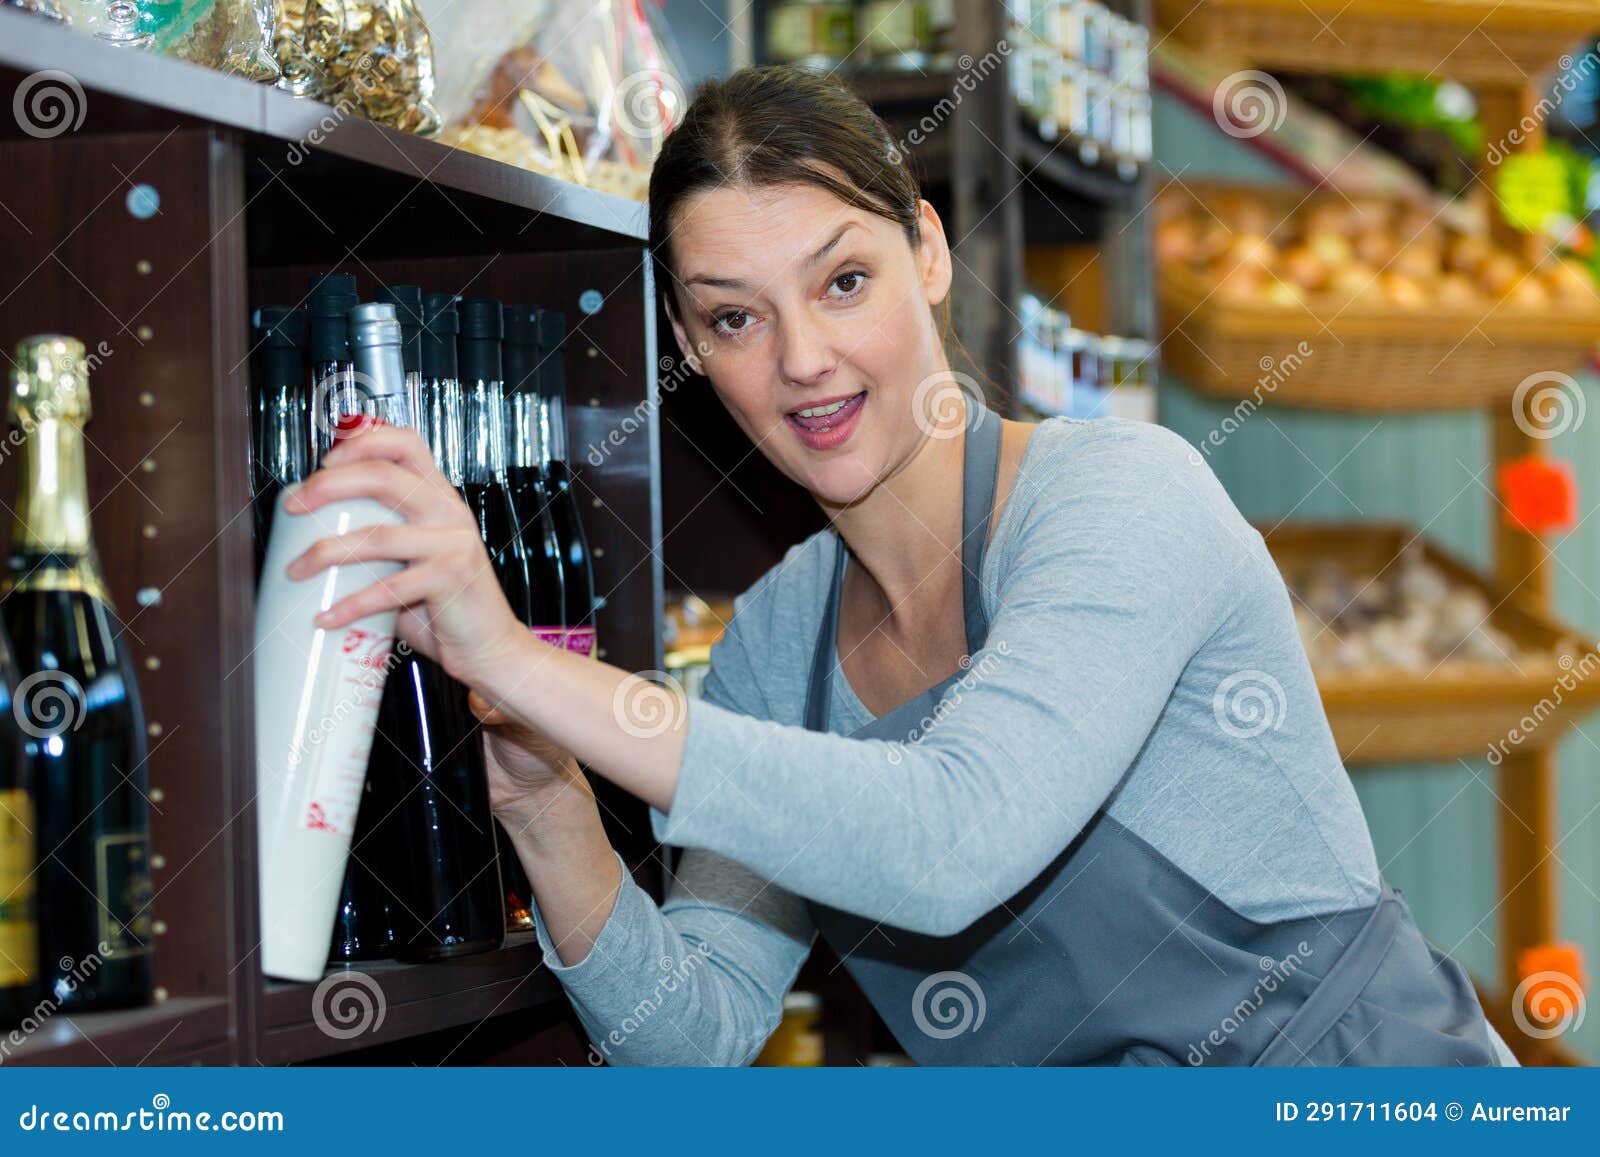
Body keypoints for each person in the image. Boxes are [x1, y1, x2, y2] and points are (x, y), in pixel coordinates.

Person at [282, 65, 1518, 1067]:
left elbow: (951, 838)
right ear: (686, 345)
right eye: (734, 316)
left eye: (844, 280)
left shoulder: (1119, 497)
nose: (803, 357)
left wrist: (515, 656)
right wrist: (546, 804)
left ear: (927, 253)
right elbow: (694, 1036)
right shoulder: (777, 644)